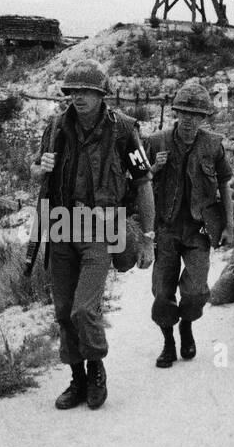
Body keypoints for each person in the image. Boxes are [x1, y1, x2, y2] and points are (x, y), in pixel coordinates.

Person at [33, 59, 154, 410]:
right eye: (73, 91)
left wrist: (148, 238)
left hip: (101, 228)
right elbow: (36, 168)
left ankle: (96, 367)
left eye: (87, 91)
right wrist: (39, 166)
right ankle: (77, 379)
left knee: (84, 309)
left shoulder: (124, 130)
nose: (79, 97)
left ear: (102, 95)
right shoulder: (56, 126)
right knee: (63, 311)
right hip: (61, 226)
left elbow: (143, 182)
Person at [145, 79, 234, 367]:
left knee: (196, 290)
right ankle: (168, 342)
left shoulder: (213, 145)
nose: (189, 120)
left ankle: (186, 325)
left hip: (199, 229)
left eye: (196, 115)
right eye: (185, 113)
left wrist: (228, 225)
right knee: (162, 292)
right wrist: (154, 168)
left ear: (204, 118)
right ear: (176, 113)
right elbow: (139, 183)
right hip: (165, 228)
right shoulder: (157, 142)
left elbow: (224, 185)